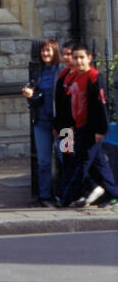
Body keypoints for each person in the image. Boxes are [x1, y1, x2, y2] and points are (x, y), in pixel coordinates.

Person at [54, 43, 118, 208]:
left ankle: (66, 196)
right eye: (74, 57)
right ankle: (113, 194)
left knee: (80, 163)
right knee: (97, 164)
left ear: (89, 58)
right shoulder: (68, 76)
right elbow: (63, 103)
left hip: (89, 129)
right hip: (71, 128)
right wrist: (60, 126)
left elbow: (100, 106)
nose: (77, 61)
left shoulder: (94, 77)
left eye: (80, 57)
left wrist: (101, 130)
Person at [22, 38, 64, 206]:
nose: (45, 54)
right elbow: (35, 96)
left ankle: (66, 193)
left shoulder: (63, 70)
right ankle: (45, 195)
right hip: (42, 122)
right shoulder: (38, 71)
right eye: (43, 51)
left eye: (48, 50)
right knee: (43, 161)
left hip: (64, 125)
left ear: (55, 51)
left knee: (66, 157)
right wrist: (30, 95)